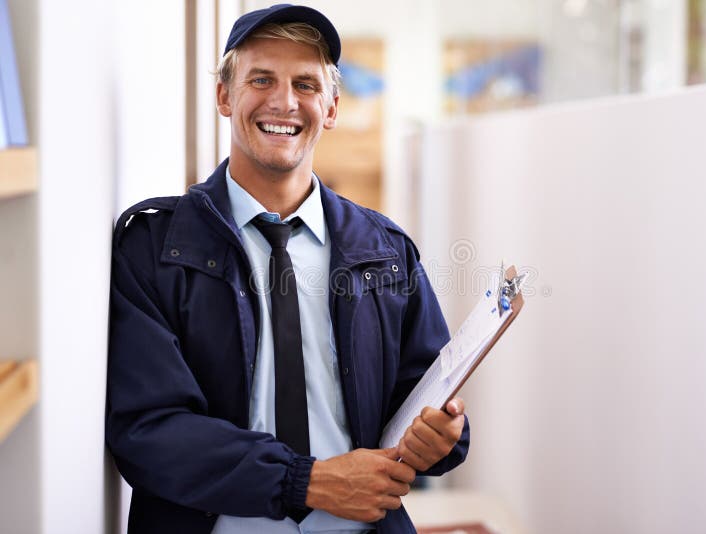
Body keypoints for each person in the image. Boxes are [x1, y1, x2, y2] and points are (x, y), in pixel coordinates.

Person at [106, 4, 469, 534]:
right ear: (225, 96)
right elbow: (148, 431)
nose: (284, 102)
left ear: (332, 106)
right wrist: (305, 481)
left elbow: (427, 397)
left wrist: (444, 436)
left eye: (305, 83)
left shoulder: (387, 250)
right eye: (261, 78)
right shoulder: (153, 247)